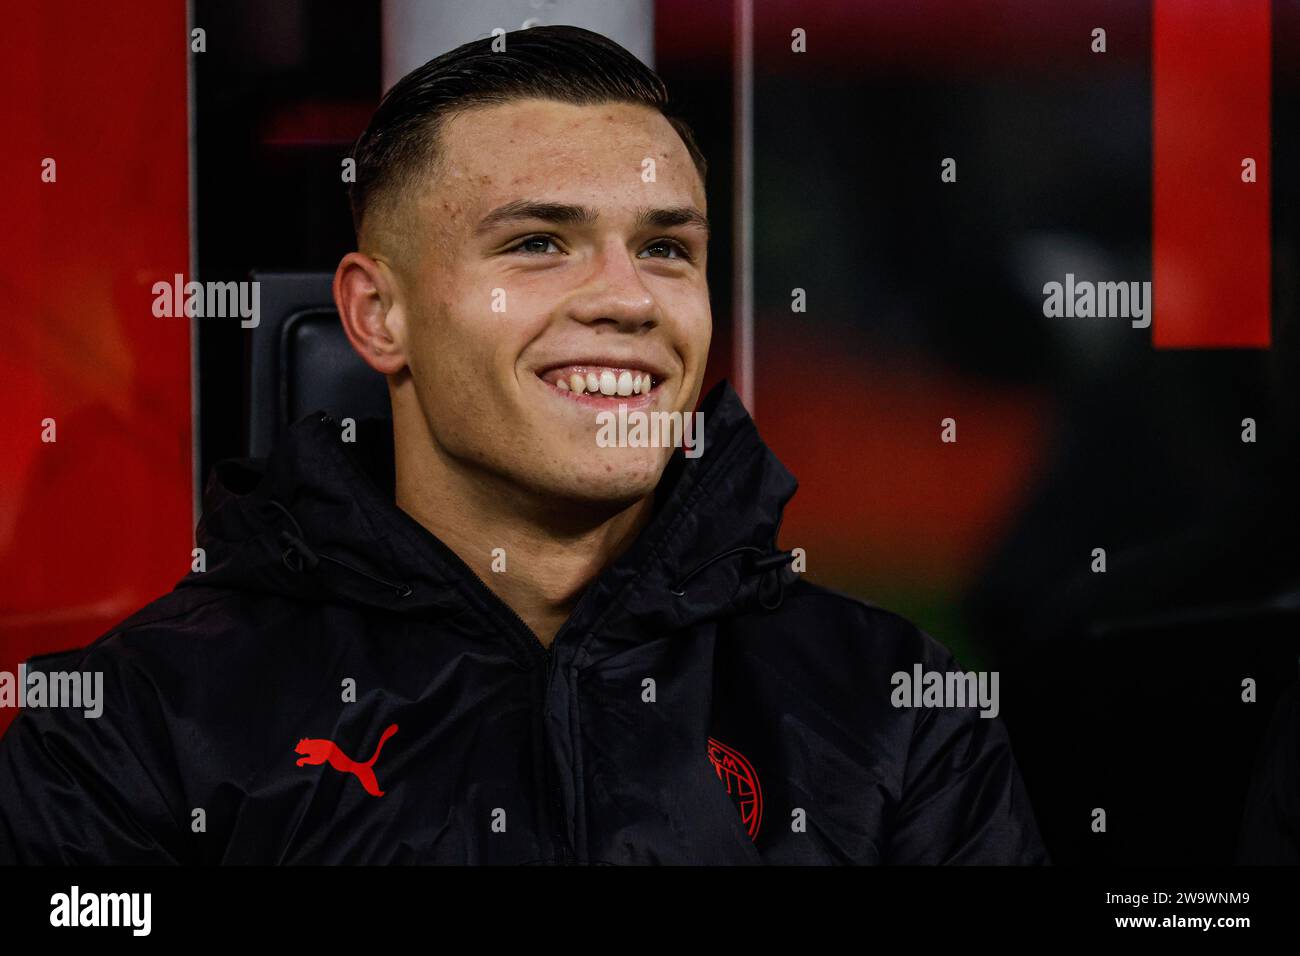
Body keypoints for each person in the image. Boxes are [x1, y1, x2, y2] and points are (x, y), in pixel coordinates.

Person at [0, 25, 1048, 864]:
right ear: (377, 315)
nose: (627, 298)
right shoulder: (135, 730)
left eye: (665, 247)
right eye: (539, 242)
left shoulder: (895, 711)